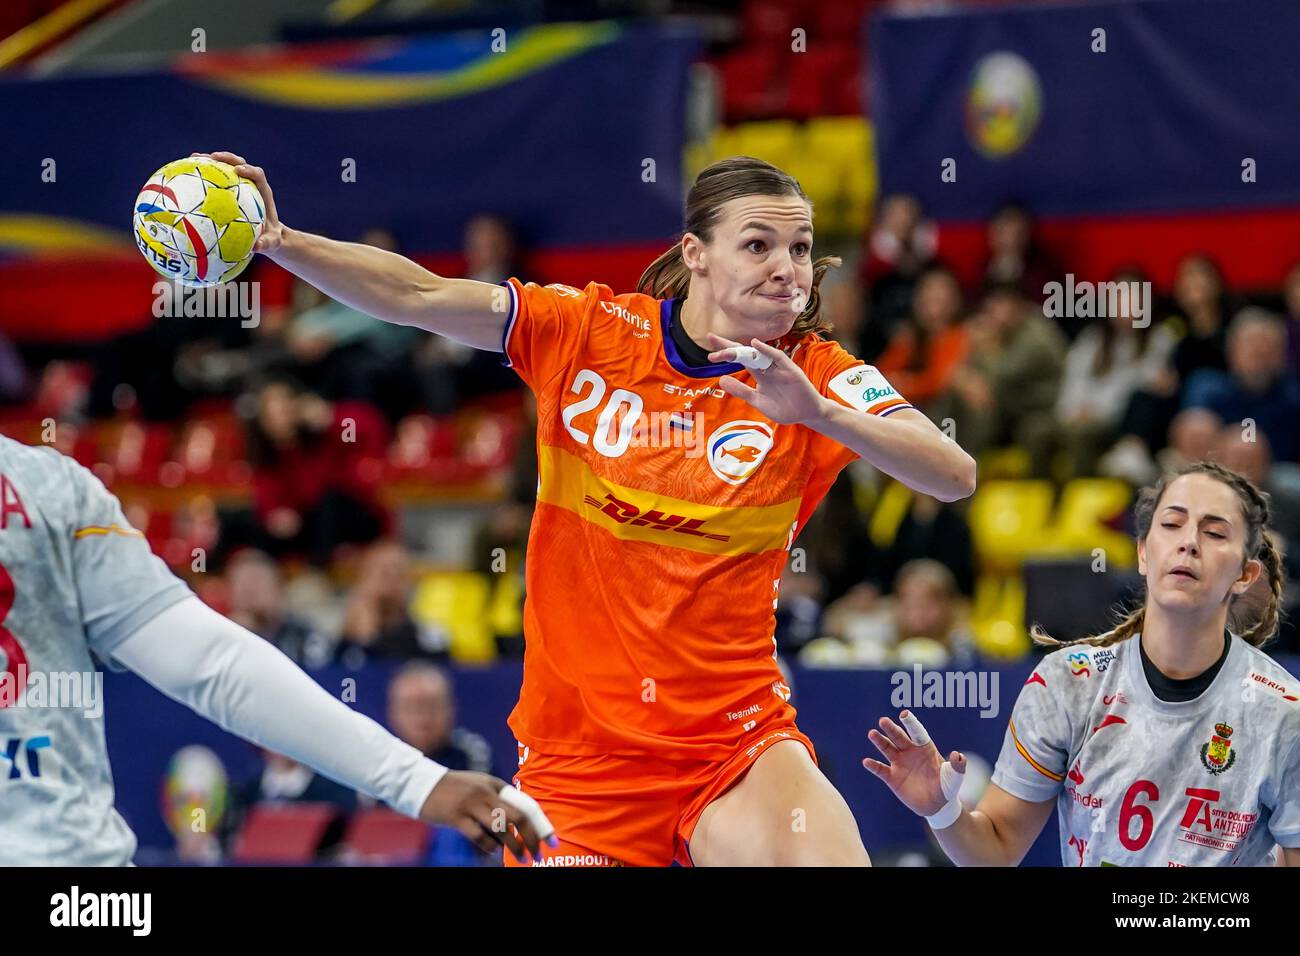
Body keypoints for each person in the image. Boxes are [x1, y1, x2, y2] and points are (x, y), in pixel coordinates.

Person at [205, 149, 976, 867]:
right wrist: (280, 240)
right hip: (579, 764)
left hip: (732, 746)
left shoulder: (815, 375)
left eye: (801, 249)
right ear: (696, 253)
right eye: (759, 246)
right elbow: (417, 294)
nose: (788, 270)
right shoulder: (587, 332)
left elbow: (953, 473)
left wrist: (820, 414)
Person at [0, 434, 552, 865]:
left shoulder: (49, 491)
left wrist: (415, 780)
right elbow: (213, 667)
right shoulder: (45, 486)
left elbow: (212, 664)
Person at [864, 461, 1300, 866]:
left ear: (1245, 574)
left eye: (1215, 533)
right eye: (1171, 524)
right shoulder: (1067, 684)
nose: (1188, 542)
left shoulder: (1283, 713)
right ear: (1144, 553)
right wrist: (943, 813)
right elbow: (996, 849)